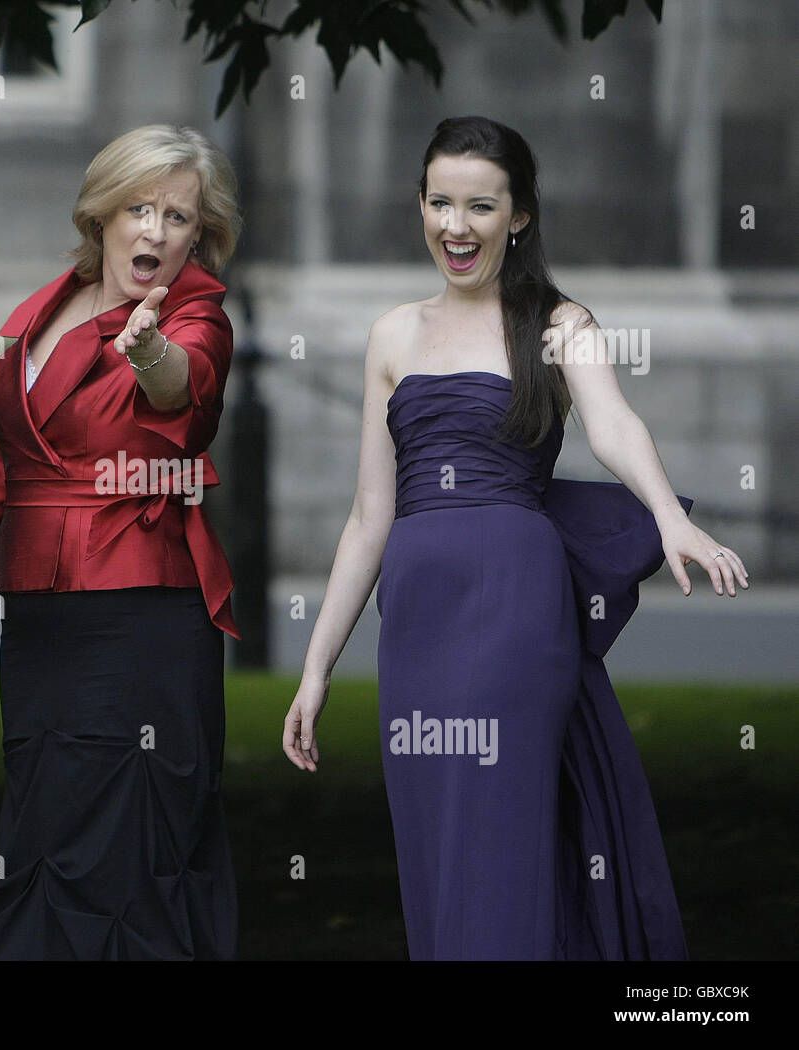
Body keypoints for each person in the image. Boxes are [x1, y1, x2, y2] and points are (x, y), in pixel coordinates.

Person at [283, 115, 747, 960]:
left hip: (516, 607)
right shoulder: (393, 335)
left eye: (481, 207)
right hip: (416, 620)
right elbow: (367, 516)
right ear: (420, 204)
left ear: (519, 215)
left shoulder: (559, 322)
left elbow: (612, 423)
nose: (456, 227)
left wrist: (669, 515)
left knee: (500, 831)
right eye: (439, 203)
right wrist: (315, 672)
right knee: (436, 842)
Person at [0, 124, 243, 960]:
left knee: (132, 837)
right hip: (41, 619)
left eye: (179, 217)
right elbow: (15, 453)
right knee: (45, 831)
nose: (155, 231)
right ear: (101, 213)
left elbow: (185, 395)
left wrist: (149, 349)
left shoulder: (197, 316)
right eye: (139, 208)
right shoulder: (41, 306)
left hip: (142, 611)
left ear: (201, 235)